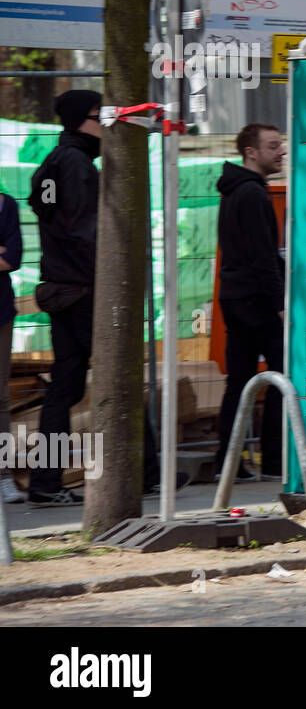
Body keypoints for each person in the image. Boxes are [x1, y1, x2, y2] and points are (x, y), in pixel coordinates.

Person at [26, 91, 176, 503]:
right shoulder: (76, 166)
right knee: (122, 377)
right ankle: (147, 474)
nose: (107, 125)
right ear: (81, 120)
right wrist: (115, 279)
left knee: (64, 390)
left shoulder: (53, 165)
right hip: (85, 290)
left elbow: (51, 216)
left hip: (61, 290)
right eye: (100, 116)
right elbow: (85, 232)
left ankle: (45, 483)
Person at [215, 123, 287, 481]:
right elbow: (263, 255)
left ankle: (227, 463)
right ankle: (274, 459)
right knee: (280, 376)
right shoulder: (253, 195)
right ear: (251, 153)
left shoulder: (234, 191)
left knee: (240, 379)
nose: (282, 152)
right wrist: (279, 301)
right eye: (273, 146)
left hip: (235, 294)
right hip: (256, 298)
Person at [0, 189, 23, 504]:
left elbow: (12, 258)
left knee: (0, 398)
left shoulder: (7, 205)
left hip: (1, 312)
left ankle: (3, 476)